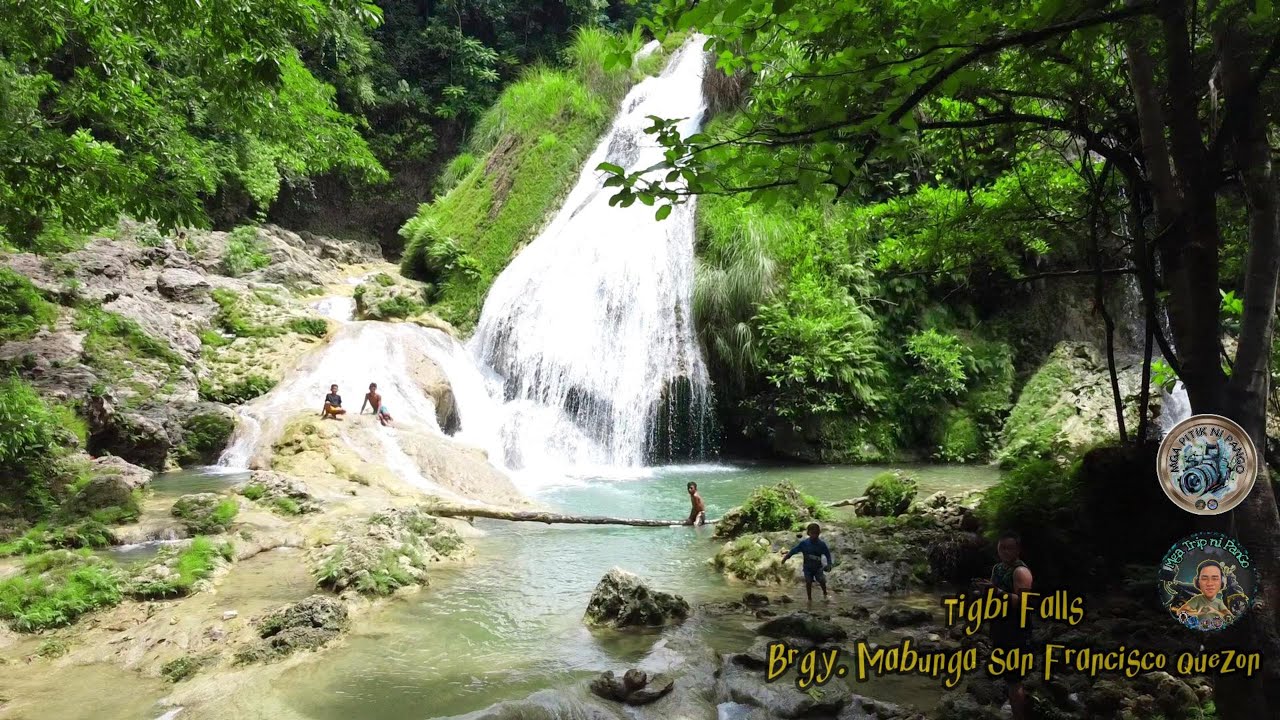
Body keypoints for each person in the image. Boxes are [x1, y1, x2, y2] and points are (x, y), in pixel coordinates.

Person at [976, 532, 1033, 720]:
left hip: (1016, 629)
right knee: (1008, 676)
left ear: (1018, 550)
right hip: (999, 626)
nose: (1005, 551)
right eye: (1001, 548)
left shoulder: (1021, 572)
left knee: (1014, 679)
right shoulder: (997, 568)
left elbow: (1022, 601)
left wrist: (997, 592)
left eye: (1009, 548)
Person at [780, 523, 833, 602]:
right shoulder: (804, 544)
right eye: (813, 533)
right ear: (808, 533)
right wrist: (786, 557)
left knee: (822, 580)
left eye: (817, 533)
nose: (815, 535)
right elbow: (794, 550)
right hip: (807, 568)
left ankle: (825, 593)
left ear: (819, 533)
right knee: (808, 582)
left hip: (818, 568)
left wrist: (829, 564)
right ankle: (809, 599)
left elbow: (827, 555)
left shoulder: (821, 544)